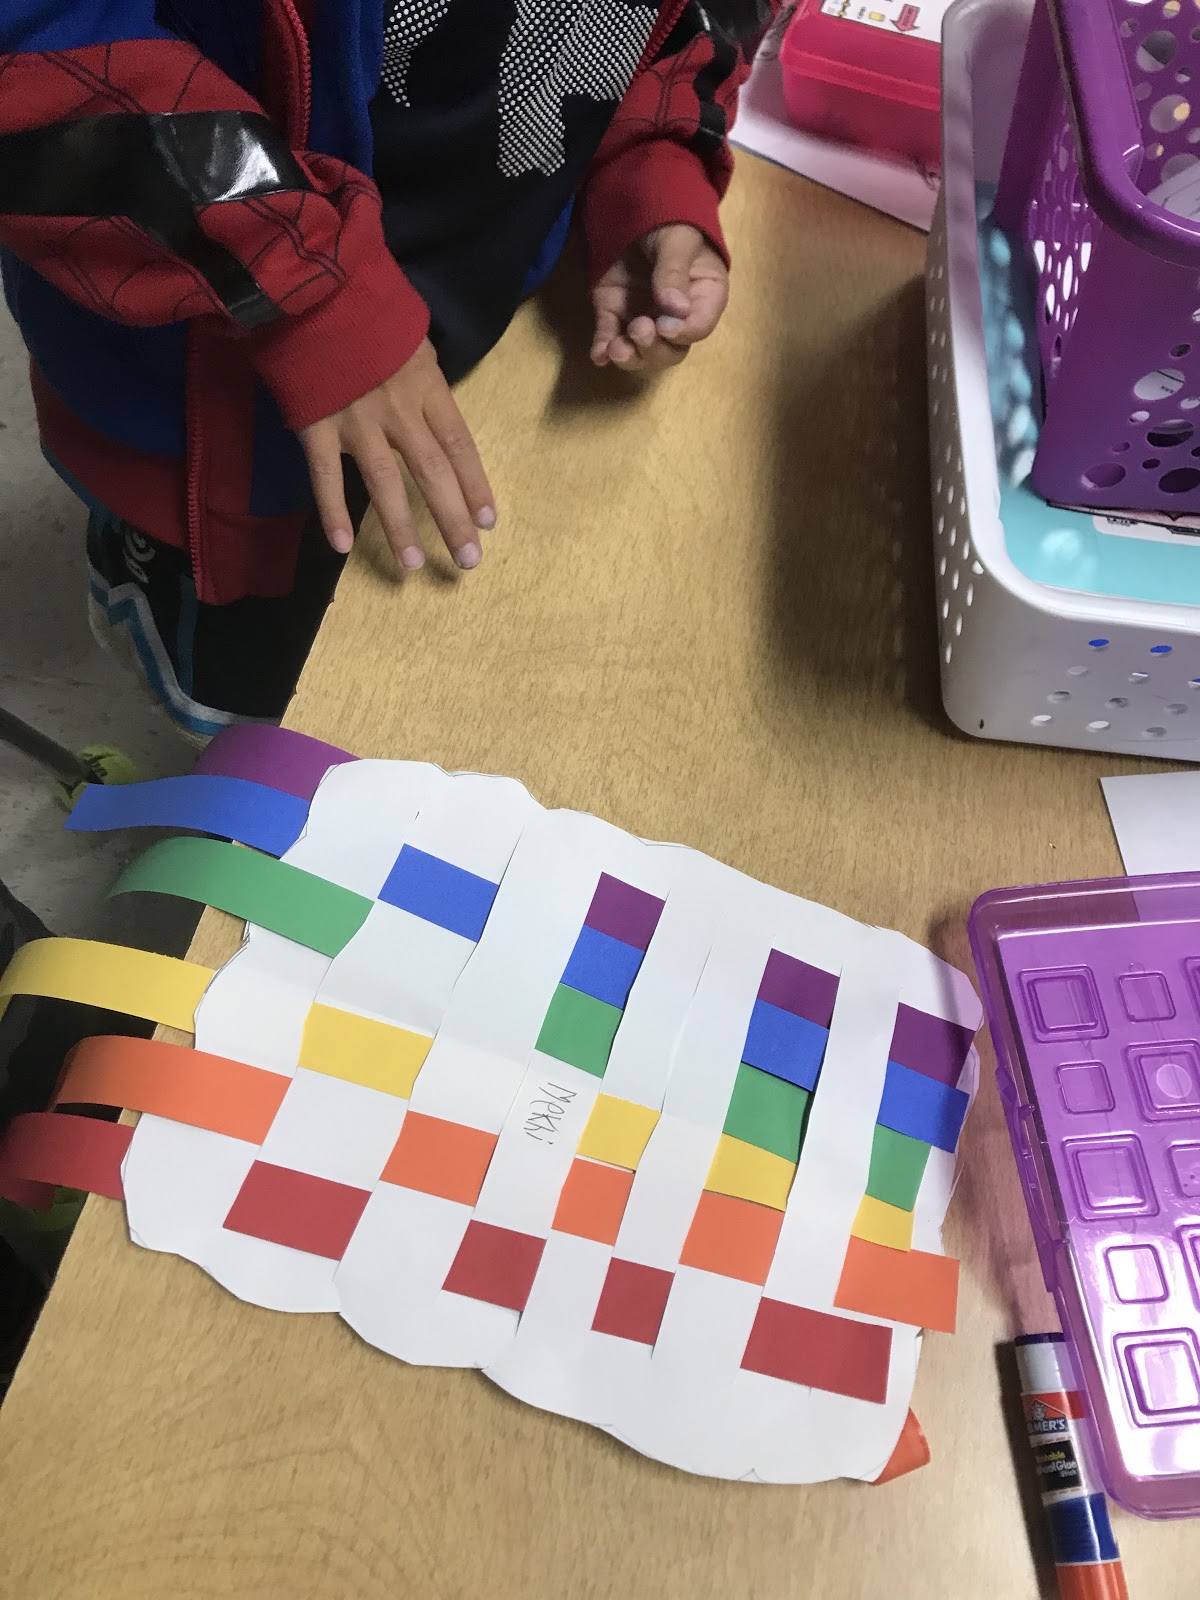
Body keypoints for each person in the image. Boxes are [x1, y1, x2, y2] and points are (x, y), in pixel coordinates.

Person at [0, 2, 777, 739]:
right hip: (214, 383)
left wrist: (654, 159)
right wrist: (301, 291)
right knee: (233, 692)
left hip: (475, 331)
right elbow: (38, 41)